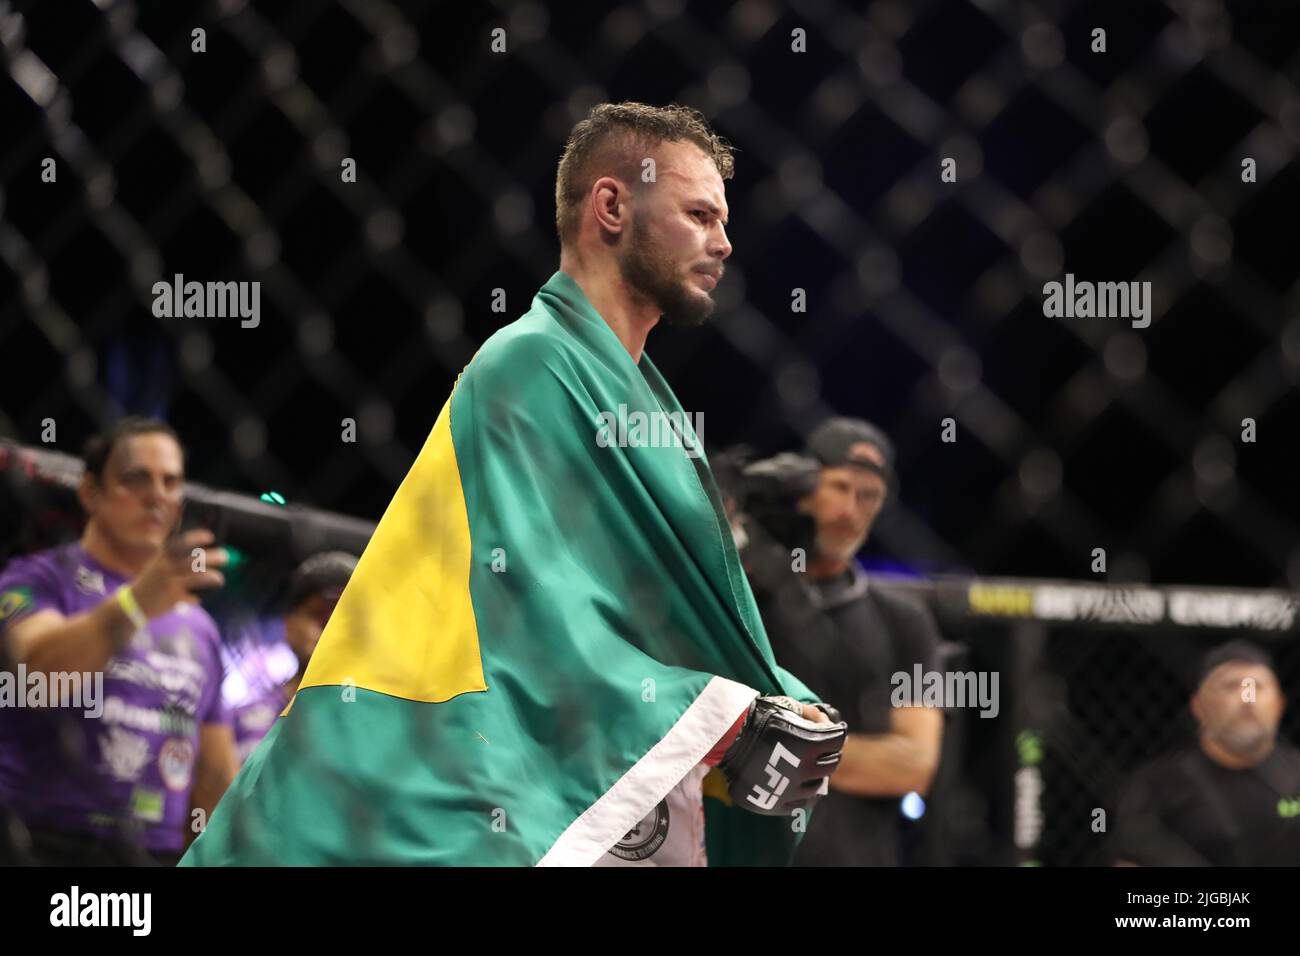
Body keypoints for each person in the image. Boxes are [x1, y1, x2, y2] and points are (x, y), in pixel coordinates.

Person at [184, 102, 844, 867]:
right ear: (611, 206)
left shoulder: (640, 400)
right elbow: (525, 608)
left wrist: (771, 698)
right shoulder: (530, 364)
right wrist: (732, 720)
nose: (724, 243)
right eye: (699, 214)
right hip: (447, 776)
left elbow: (650, 618)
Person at [0, 417, 236, 865]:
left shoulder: (198, 623)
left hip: (152, 853)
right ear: (91, 492)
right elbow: (35, 682)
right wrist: (136, 604)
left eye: (171, 482)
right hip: (37, 840)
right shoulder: (38, 579)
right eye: (136, 479)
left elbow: (216, 772)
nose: (157, 496)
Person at [738, 417, 945, 865]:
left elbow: (915, 764)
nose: (851, 511)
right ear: (804, 486)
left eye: (868, 496)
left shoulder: (905, 621)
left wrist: (781, 747)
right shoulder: (743, 593)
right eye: (840, 487)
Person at [1111, 639, 1300, 866]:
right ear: (1199, 706)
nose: (1247, 699)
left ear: (1279, 704)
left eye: (1257, 686)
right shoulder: (1156, 784)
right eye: (1232, 686)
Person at [222, 551, 358, 764]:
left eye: (339, 620)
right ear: (288, 623)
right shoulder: (241, 722)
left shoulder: (373, 727)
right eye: (316, 615)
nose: (327, 630)